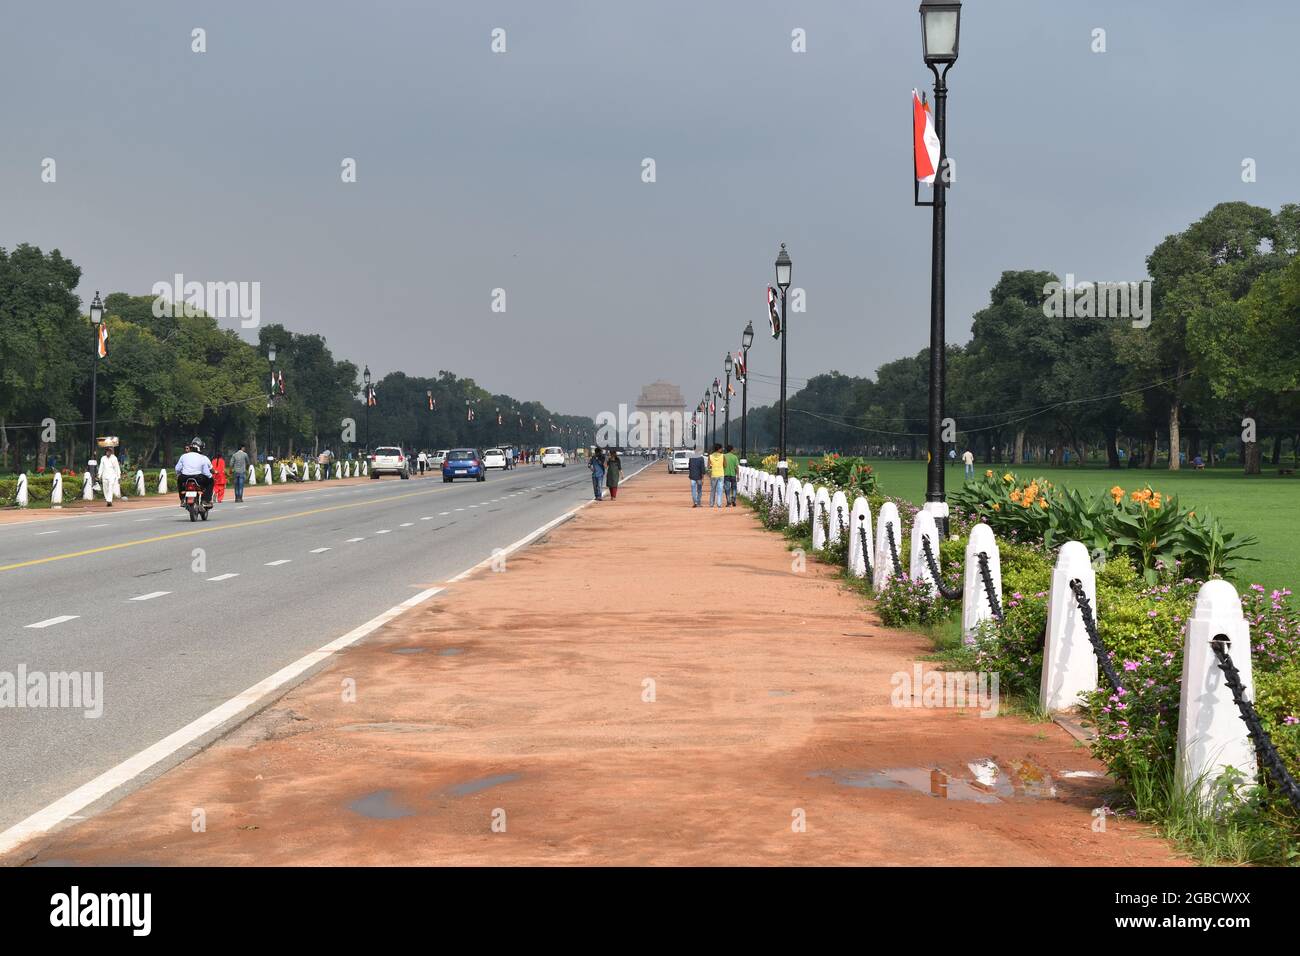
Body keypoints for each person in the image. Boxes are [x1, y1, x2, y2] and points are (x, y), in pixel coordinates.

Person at [175, 438, 214, 505]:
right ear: (200, 448)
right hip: (198, 478)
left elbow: (177, 469)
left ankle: (182, 499)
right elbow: (206, 472)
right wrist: (210, 477)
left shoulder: (183, 456)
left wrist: (178, 475)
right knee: (210, 481)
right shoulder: (203, 457)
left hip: (184, 477)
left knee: (179, 480)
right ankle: (205, 500)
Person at [708, 443, 725, 508]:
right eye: (721, 448)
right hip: (721, 474)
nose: (722, 449)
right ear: (719, 449)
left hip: (714, 474)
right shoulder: (723, 456)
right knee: (720, 489)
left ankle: (711, 503)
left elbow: (708, 466)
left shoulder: (710, 456)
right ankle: (719, 503)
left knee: (713, 489)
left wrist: (710, 472)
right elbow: (725, 465)